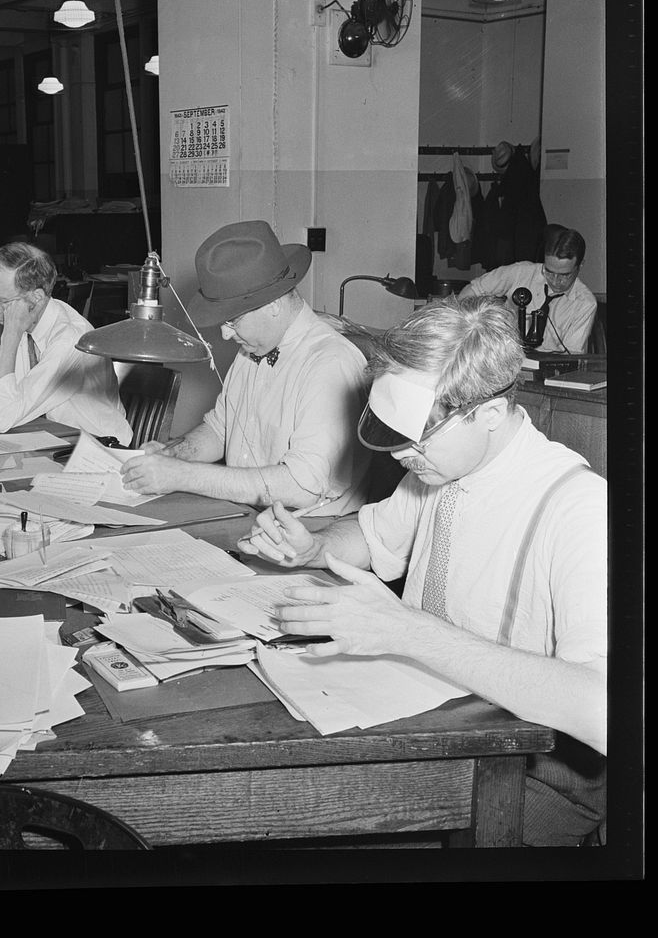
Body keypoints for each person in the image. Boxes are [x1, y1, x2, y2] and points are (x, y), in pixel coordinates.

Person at [238, 295, 606, 847]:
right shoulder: (439, 466)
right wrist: (311, 549)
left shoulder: (578, 507)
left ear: (489, 413)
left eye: (415, 441)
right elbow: (371, 535)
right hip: (430, 723)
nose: (399, 456)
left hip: (533, 772)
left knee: (299, 825)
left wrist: (407, 632)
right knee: (266, 795)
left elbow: (602, 710)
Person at [121, 219, 371, 515]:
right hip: (251, 518)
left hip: (311, 533)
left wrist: (181, 476)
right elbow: (220, 430)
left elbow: (300, 488)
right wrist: (173, 454)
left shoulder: (330, 364)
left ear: (274, 304)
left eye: (232, 321)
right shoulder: (250, 352)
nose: (226, 334)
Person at [0, 242, 132, 442]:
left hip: (100, 450)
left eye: (1, 301)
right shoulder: (32, 322)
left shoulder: (70, 339)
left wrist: (9, 337)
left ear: (37, 297)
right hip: (59, 439)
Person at [462, 226, 596, 353]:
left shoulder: (585, 303)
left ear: (580, 265)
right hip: (503, 358)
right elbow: (471, 291)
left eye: (564, 275)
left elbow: (571, 357)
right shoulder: (521, 272)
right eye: (549, 271)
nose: (555, 280)